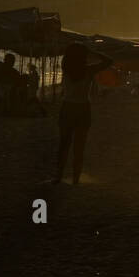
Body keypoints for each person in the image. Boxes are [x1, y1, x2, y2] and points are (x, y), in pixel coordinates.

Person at [53, 42, 113, 185]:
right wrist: (92, 52)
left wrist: (84, 51)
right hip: (83, 108)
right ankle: (75, 178)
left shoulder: (66, 67)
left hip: (68, 107)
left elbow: (67, 56)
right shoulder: (89, 70)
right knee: (79, 145)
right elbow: (109, 61)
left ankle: (59, 176)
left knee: (64, 144)